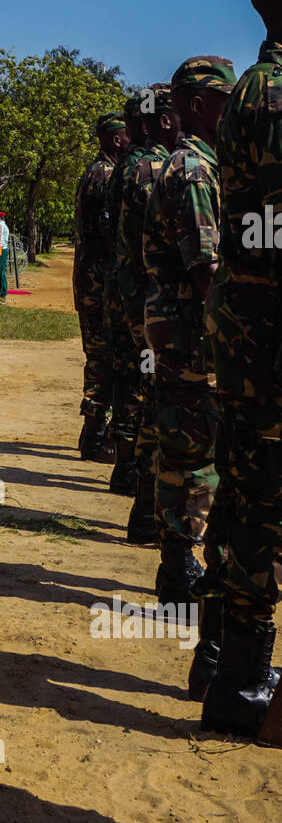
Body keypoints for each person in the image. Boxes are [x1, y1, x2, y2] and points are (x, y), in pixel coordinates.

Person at [201, 0, 282, 736]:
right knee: (262, 505)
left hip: (250, 328)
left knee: (249, 492)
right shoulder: (277, 91)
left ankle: (233, 669)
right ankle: (244, 681)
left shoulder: (253, 87)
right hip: (270, 332)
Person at [143, 56, 236, 609]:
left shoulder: (194, 165)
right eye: (225, 100)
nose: (234, 110)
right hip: (190, 333)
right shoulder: (195, 172)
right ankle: (179, 566)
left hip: (181, 330)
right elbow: (206, 271)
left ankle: (178, 563)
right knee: (191, 450)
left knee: (184, 445)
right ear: (199, 105)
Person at [117, 83, 181, 544]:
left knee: (151, 400)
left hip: (142, 304)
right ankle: (149, 509)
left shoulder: (136, 166)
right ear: (163, 119)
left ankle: (144, 503)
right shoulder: (155, 167)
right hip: (159, 308)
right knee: (160, 406)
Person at [73, 113, 129, 460]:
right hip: (98, 281)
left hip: (91, 278)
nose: (128, 140)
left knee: (100, 357)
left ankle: (94, 433)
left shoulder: (97, 170)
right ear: (111, 139)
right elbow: (108, 234)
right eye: (124, 135)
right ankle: (93, 436)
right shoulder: (104, 175)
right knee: (101, 358)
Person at [104, 96, 148, 495]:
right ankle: (133, 467)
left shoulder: (119, 170)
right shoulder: (145, 168)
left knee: (125, 375)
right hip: (141, 296)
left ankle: (125, 461)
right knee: (139, 379)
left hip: (121, 288)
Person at [0, 210, 10, 300]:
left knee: (1, 271)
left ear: (0, 218)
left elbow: (0, 240)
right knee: (1, 270)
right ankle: (1, 290)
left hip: (2, 249)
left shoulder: (1, 226)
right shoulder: (4, 226)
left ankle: (3, 291)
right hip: (3, 249)